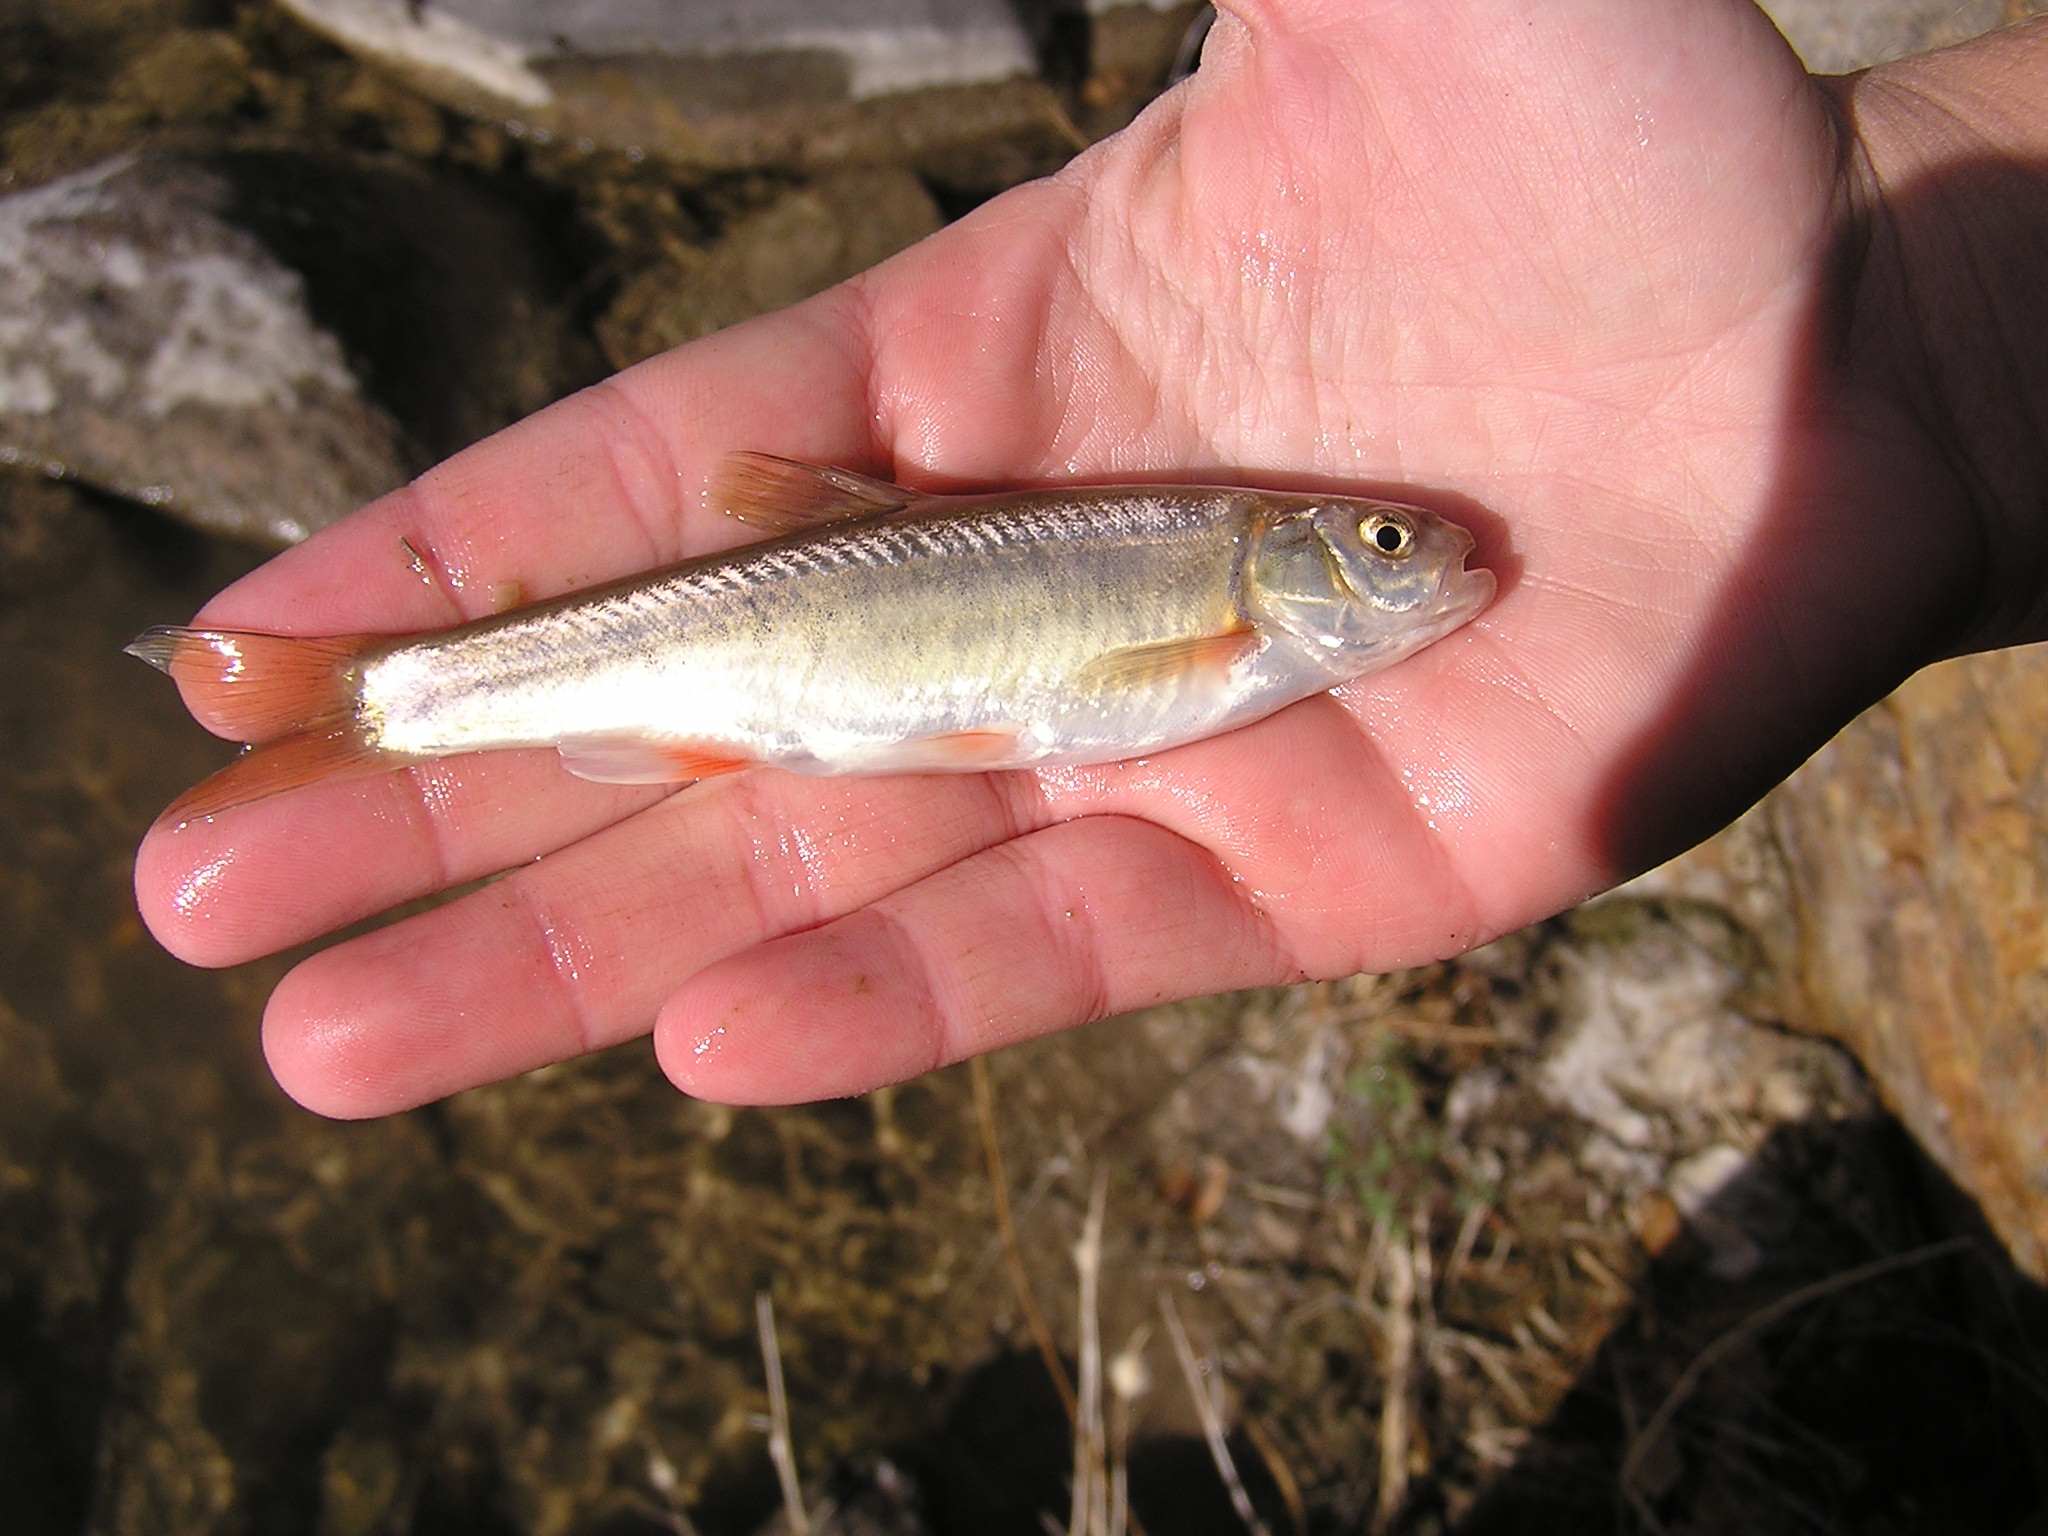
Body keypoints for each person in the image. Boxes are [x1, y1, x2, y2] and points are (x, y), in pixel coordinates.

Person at [133, 0, 2047, 1119]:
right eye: (1382, 546)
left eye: (1387, 542)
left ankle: (367, 711)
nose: (1422, 555)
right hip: (775, 651)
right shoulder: (1226, 577)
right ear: (1295, 569)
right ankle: (371, 708)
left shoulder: (1242, 593)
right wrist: (1913, 326)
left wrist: (1912, 325)